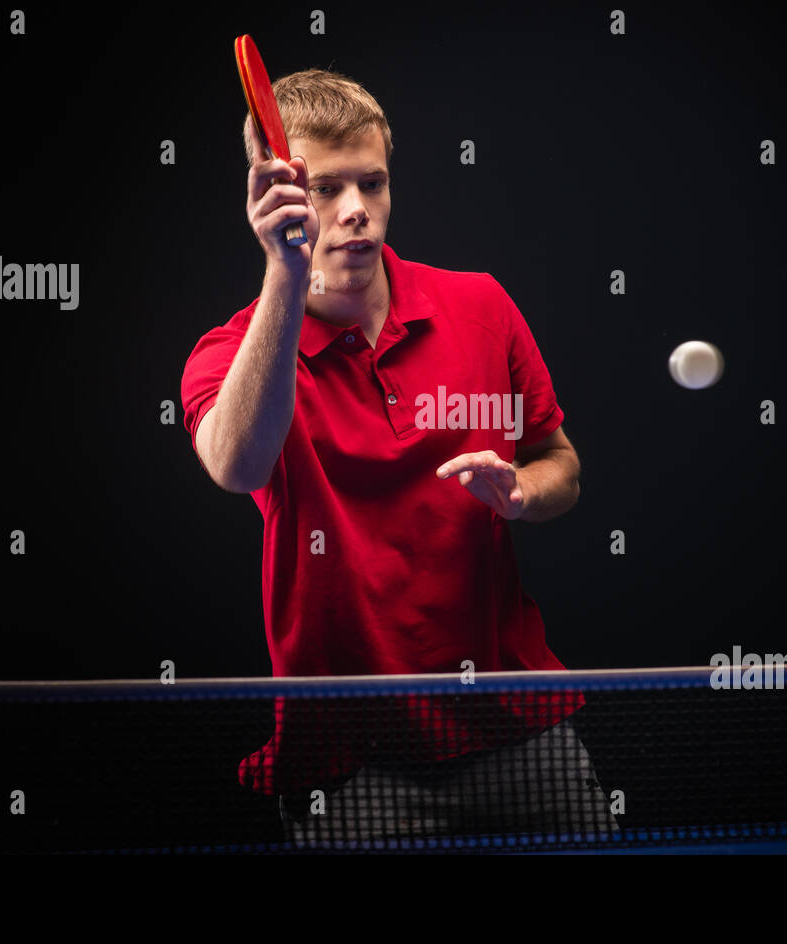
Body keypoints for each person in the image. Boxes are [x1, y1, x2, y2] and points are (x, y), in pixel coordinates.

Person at [180, 69, 615, 845]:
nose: (355, 212)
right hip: (352, 763)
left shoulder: (481, 307)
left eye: (372, 183)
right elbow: (238, 466)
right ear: (273, 193)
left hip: (523, 734)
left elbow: (563, 465)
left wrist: (522, 493)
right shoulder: (227, 355)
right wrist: (286, 268)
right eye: (324, 189)